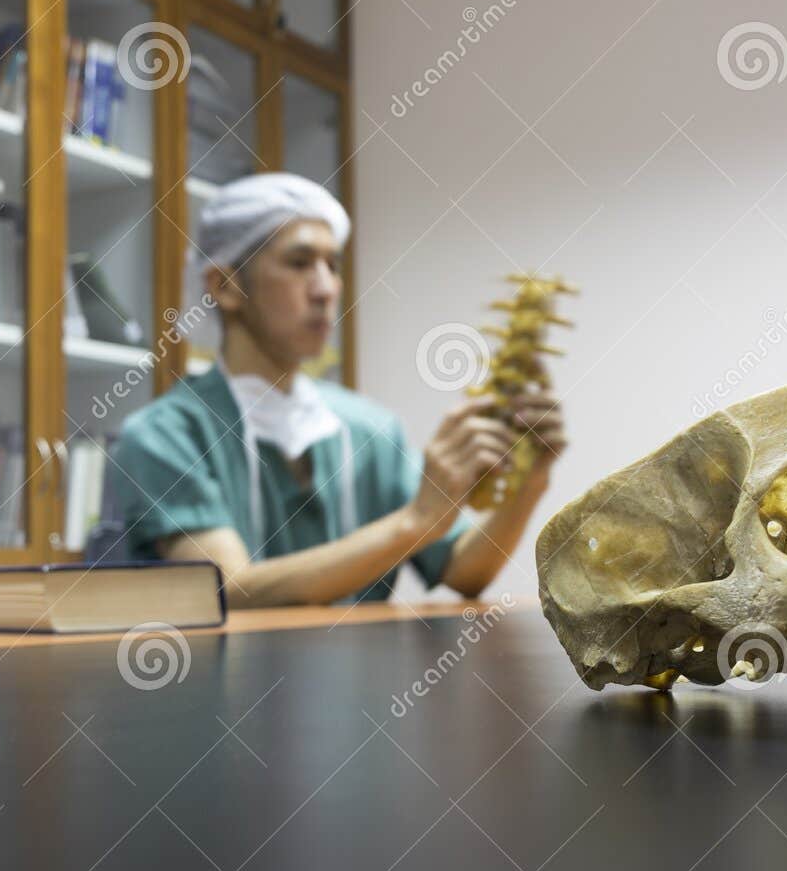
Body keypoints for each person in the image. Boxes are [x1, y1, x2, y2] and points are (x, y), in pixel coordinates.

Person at [107, 172, 567, 608]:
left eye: (333, 264)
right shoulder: (164, 435)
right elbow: (227, 590)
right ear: (224, 285)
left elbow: (463, 570)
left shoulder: (369, 430)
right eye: (300, 262)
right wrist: (417, 520)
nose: (326, 288)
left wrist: (531, 480)